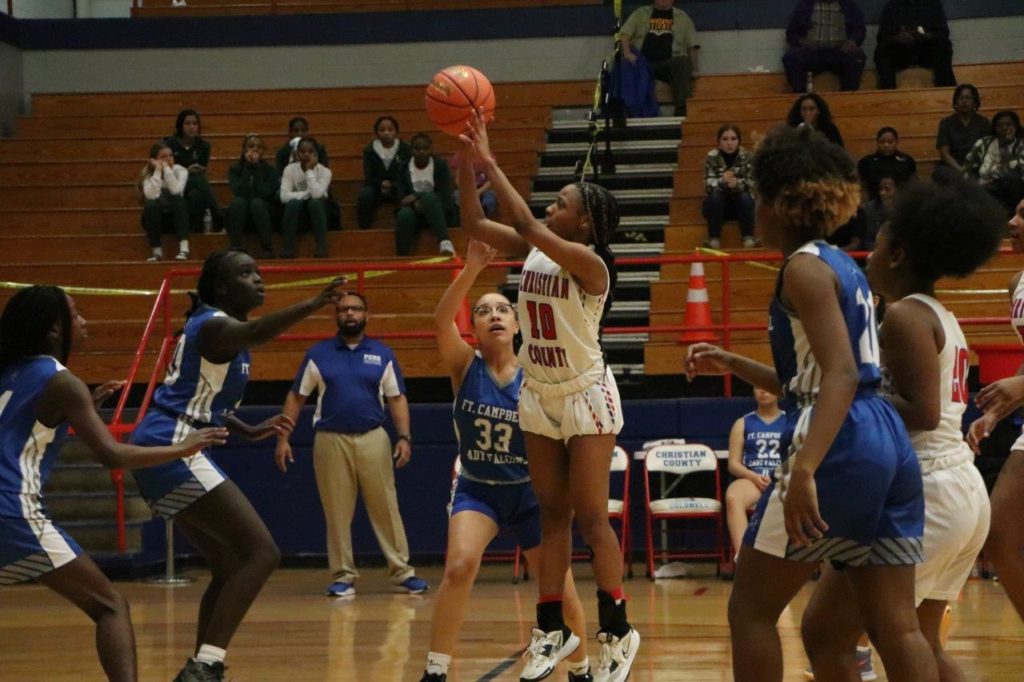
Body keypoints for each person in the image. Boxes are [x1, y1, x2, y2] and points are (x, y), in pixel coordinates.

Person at [685, 125, 938, 682]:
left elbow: (840, 374)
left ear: (777, 201)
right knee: (896, 626)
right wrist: (732, 361)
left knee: (749, 608)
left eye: (757, 194)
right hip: (885, 439)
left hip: (840, 436)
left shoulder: (800, 267)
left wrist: (804, 468)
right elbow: (818, 373)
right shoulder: (841, 263)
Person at [458, 112, 639, 682]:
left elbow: (531, 229)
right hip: (539, 395)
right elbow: (475, 222)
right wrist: (467, 171)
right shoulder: (538, 249)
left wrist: (492, 160)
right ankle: (552, 629)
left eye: (562, 203)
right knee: (550, 518)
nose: (551, 209)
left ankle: (617, 627)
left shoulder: (594, 265)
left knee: (591, 517)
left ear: (585, 223)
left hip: (586, 396)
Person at [802, 176, 1004, 682]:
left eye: (880, 242)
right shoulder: (936, 312)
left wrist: (850, 394)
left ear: (897, 255)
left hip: (927, 487)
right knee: (922, 643)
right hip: (958, 487)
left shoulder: (906, 316)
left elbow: (922, 410)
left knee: (826, 632)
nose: (869, 253)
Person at [129, 249, 346, 682]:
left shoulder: (220, 333)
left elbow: (202, 399)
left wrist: (247, 430)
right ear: (223, 287)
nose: (259, 280)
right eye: (247, 274)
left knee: (229, 565)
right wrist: (314, 303)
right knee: (262, 553)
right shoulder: (215, 326)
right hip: (170, 444)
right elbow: (261, 331)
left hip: (169, 443)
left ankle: (202, 666)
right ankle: (207, 664)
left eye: (259, 272)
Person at [0, 285, 228, 682]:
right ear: (55, 330)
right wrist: (184, 448)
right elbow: (113, 456)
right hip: (10, 509)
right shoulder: (60, 380)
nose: (84, 322)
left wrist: (86, 408)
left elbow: (21, 433)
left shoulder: (9, 371)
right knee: (111, 606)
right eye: (76, 314)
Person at [418, 239, 589, 682]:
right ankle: (436, 670)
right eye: (483, 310)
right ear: (473, 328)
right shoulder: (464, 366)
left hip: (531, 494)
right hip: (478, 488)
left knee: (561, 591)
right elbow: (439, 320)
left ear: (517, 324)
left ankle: (583, 669)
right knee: (458, 567)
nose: (494, 314)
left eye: (502, 309)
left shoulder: (538, 374)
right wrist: (472, 268)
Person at [274, 291, 428, 598]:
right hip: (330, 440)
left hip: (373, 437)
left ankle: (402, 573)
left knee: (386, 506)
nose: (349, 313)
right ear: (336, 315)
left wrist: (405, 438)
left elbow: (397, 398)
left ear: (366, 315)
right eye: (343, 309)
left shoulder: (383, 354)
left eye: (356, 308)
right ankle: (343, 575)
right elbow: (296, 397)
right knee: (337, 510)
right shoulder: (318, 354)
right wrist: (283, 438)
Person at [969, 198, 1024, 621]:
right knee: (1000, 532)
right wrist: (999, 411)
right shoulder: (1016, 282)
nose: (1012, 220)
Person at [725, 388, 784, 557]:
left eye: (767, 385)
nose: (763, 391)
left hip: (782, 480)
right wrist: (753, 476)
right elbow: (733, 464)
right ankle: (743, 558)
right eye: (758, 387)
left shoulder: (791, 420)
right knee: (733, 497)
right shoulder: (742, 423)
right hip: (753, 479)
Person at [620, 0, 699, 117]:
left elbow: (692, 46)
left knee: (682, 61)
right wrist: (627, 53)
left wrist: (695, 68)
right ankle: (627, 111)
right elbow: (625, 34)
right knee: (626, 64)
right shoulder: (640, 13)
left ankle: (682, 110)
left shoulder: (682, 17)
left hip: (668, 64)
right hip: (643, 63)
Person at [782, 0, 866, 93]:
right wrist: (802, 42)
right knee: (791, 57)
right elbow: (791, 34)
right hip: (812, 52)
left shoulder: (849, 5)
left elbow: (860, 30)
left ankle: (847, 95)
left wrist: (852, 41)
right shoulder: (805, 6)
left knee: (856, 56)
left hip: (840, 52)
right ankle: (802, 95)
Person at [874, 0, 956, 90]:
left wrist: (927, 36)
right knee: (882, 50)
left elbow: (944, 32)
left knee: (944, 45)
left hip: (926, 51)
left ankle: (946, 91)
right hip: (902, 51)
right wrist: (897, 38)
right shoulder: (892, 6)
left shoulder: (933, 4)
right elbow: (882, 37)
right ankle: (887, 94)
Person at [396, 133, 455, 257]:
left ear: (431, 149)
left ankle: (444, 241)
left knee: (429, 198)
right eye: (417, 149)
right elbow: (402, 198)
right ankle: (402, 256)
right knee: (404, 215)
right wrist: (414, 202)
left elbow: (446, 197)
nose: (421, 152)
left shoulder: (440, 165)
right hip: (414, 211)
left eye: (425, 148)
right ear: (411, 150)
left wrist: (419, 195)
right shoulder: (403, 168)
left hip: (438, 212)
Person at [164, 109, 220, 232]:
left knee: (196, 195)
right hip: (174, 185)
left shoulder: (204, 146)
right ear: (180, 126)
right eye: (188, 124)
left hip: (194, 185)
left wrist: (194, 172)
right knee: (198, 179)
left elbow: (202, 169)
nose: (192, 127)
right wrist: (186, 171)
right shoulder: (170, 144)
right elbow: (167, 171)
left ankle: (193, 235)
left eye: (195, 124)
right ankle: (219, 217)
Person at [702, 124, 756, 249]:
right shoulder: (711, 157)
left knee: (745, 197)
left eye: (733, 139)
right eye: (725, 139)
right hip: (717, 207)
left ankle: (748, 239)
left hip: (741, 207)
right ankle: (714, 240)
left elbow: (753, 185)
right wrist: (721, 181)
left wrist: (737, 184)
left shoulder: (748, 157)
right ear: (719, 142)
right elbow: (707, 186)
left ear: (739, 141)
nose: (729, 143)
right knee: (716, 196)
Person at [962, 110, 1024, 215]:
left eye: (1009, 124)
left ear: (1015, 127)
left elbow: (1019, 170)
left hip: (1013, 190)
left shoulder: (1021, 145)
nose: (1005, 128)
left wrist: (1005, 149)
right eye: (1000, 125)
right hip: (984, 187)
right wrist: (976, 185)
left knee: (1009, 178)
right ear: (995, 128)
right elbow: (967, 168)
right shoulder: (983, 144)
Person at [227, 134, 279, 258]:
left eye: (259, 147)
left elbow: (264, 193)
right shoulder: (235, 168)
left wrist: (255, 168)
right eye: (251, 146)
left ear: (263, 151)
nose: (255, 149)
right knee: (238, 202)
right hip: (242, 212)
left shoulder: (270, 170)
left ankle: (267, 246)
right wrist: (247, 168)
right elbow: (239, 191)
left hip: (263, 211)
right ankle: (235, 246)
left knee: (257, 203)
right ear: (244, 149)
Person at [280, 137, 332, 258]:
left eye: (310, 151)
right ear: (297, 154)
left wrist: (309, 171)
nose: (306, 154)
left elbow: (317, 195)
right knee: (294, 203)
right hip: (297, 213)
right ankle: (288, 247)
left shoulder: (325, 171)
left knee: (315, 203)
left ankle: (321, 246)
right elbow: (283, 196)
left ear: (316, 154)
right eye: (303, 152)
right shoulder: (289, 169)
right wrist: (306, 194)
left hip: (319, 213)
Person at [139, 142, 190, 262]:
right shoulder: (148, 175)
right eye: (163, 157)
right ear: (154, 160)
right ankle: (157, 252)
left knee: (178, 200)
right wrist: (157, 171)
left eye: (170, 156)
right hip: (157, 220)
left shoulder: (181, 170)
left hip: (178, 219)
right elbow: (151, 195)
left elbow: (176, 190)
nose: (168, 159)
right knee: (151, 205)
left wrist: (167, 169)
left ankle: (184, 248)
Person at [357, 115, 411, 229]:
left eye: (390, 129)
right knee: (365, 195)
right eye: (382, 130)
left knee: (404, 193)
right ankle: (364, 229)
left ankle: (403, 226)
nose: (386, 133)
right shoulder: (369, 150)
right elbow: (368, 175)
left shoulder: (405, 149)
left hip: (398, 185)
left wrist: (393, 184)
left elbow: (407, 173)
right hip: (376, 187)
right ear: (376, 132)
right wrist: (381, 183)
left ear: (396, 131)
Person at [936, 85, 989, 174]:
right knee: (940, 173)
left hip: (976, 165)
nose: (964, 101)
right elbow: (945, 155)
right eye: (961, 98)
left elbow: (987, 151)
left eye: (968, 98)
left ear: (975, 101)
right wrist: (962, 171)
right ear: (955, 101)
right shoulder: (946, 123)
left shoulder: (984, 122)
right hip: (953, 165)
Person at [857, 127, 917, 201]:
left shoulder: (906, 161)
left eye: (890, 142)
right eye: (882, 142)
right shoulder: (867, 162)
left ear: (896, 142)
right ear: (877, 142)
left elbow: (914, 185)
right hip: (874, 204)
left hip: (902, 203)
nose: (886, 145)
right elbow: (860, 186)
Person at [451, 150, 498, 220]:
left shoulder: (487, 155)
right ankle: (462, 219)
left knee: (491, 197)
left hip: (484, 188)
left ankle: (485, 218)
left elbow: (491, 180)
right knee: (456, 195)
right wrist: (466, 191)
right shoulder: (459, 155)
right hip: (466, 188)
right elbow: (457, 179)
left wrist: (478, 192)